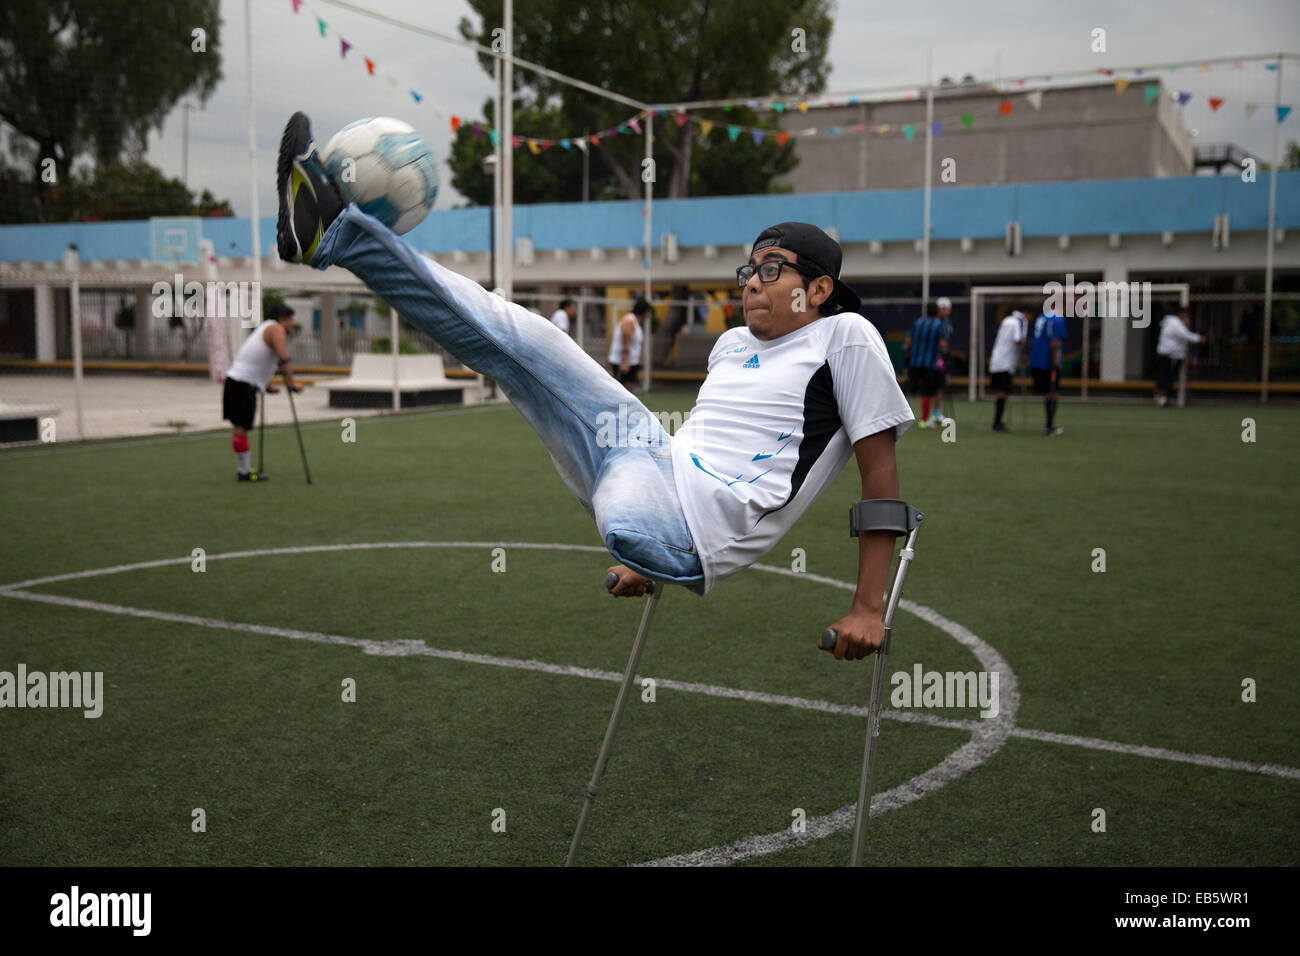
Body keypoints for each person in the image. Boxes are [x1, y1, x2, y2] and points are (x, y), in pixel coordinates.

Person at [275, 112, 914, 659]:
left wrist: (867, 606)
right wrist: (641, 560)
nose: (751, 281)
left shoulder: (846, 336)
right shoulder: (732, 344)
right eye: (750, 268)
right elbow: (704, 441)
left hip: (688, 530)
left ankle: (339, 229)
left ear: (820, 289)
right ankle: (334, 230)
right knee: (521, 342)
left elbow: (879, 479)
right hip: (647, 461)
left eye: (772, 270)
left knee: (534, 362)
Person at [221, 302, 303, 481]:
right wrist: (293, 382)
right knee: (241, 427)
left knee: (240, 427)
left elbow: (258, 359)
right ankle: (244, 472)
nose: (292, 324)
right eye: (290, 320)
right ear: (282, 319)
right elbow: (284, 358)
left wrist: (266, 385)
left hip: (238, 381)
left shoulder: (265, 328)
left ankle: (244, 470)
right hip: (242, 383)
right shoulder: (276, 329)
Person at [903, 302, 947, 429]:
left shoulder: (917, 323)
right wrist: (943, 355)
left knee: (911, 390)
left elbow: (908, 341)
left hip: (914, 362)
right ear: (937, 312)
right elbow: (943, 344)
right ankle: (924, 420)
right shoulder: (939, 325)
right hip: (930, 364)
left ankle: (901, 418)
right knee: (928, 392)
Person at [988, 306, 1028, 432]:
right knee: (1003, 392)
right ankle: (997, 422)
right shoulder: (1017, 322)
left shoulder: (1006, 320)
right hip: (1005, 362)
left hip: (997, 359)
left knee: (1002, 391)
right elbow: (1017, 340)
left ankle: (997, 421)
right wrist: (1025, 347)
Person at [1029, 304, 1066, 436]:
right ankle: (1049, 426)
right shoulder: (1057, 319)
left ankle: (1049, 425)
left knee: (1048, 393)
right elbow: (1055, 343)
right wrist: (1056, 363)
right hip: (1047, 362)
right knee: (1053, 393)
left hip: (1036, 360)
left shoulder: (1042, 317)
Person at [1154, 308, 1204, 407]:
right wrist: (1199, 338)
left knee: (1168, 376)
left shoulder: (1173, 322)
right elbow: (1185, 335)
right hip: (1169, 354)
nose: (1187, 318)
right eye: (1186, 316)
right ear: (1181, 315)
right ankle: (1161, 397)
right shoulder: (1175, 323)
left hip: (1172, 354)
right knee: (1167, 376)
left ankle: (1162, 396)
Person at [609, 299, 649, 393]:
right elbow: (625, 343)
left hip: (631, 361)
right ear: (645, 311)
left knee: (629, 390)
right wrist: (625, 362)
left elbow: (634, 344)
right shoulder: (629, 320)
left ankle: (624, 408)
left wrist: (637, 360)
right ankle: (620, 408)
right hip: (622, 362)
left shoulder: (636, 322)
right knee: (624, 391)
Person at [934, 297, 955, 423]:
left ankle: (936, 411)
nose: (944, 311)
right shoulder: (935, 323)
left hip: (944, 357)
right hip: (935, 358)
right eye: (942, 309)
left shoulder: (947, 323)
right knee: (934, 385)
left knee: (940, 385)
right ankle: (933, 413)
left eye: (946, 309)